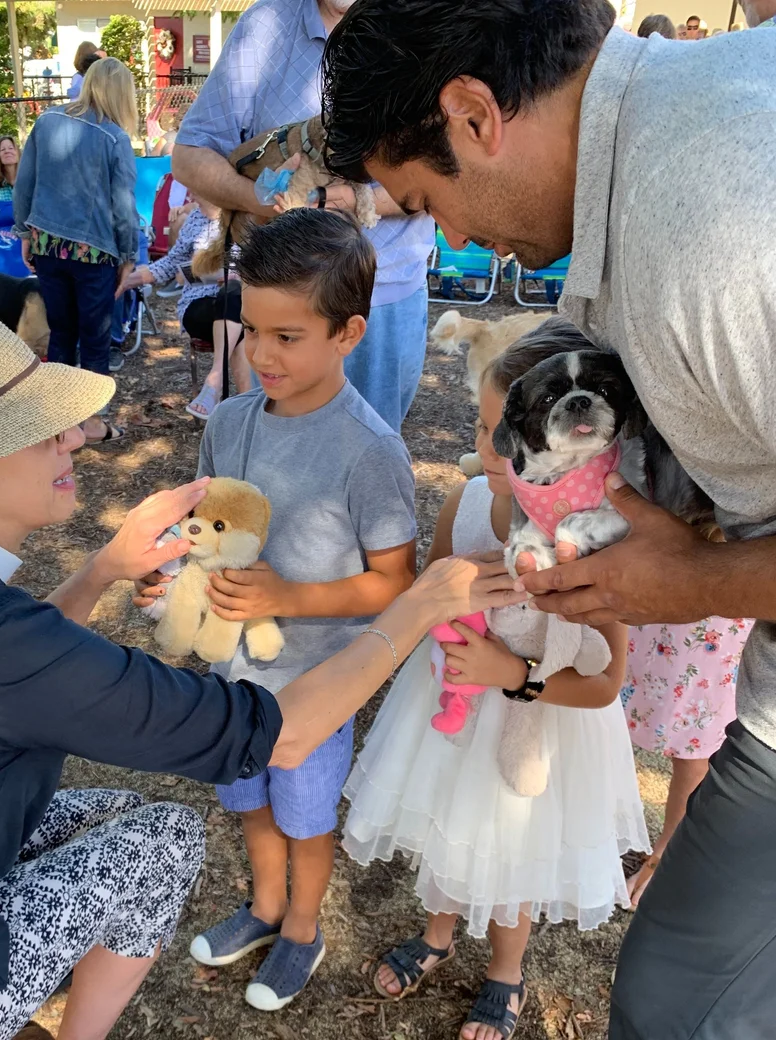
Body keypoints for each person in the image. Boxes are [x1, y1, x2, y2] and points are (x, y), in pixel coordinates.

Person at [0, 301, 524, 1040]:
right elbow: (284, 737)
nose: (76, 436)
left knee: (110, 814)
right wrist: (420, 604)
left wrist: (102, 569)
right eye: (36, 430)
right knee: (163, 838)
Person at [320, 3, 776, 1036]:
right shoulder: (674, 147)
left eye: (425, 197)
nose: (453, 236)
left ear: (474, 113)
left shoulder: (715, 233)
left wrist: (695, 585)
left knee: (678, 1005)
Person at [144, 208, 419, 1010]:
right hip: (230, 674)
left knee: (304, 817)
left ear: (349, 332)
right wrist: (171, 573)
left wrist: (290, 596)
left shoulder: (371, 452)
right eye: (250, 329)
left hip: (314, 686)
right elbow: (205, 532)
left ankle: (303, 927)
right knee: (246, 798)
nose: (260, 354)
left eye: (288, 336)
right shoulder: (228, 422)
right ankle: (265, 908)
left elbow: (395, 584)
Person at [344, 322, 648, 1040]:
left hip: (544, 719)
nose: (492, 451)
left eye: (506, 432)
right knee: (452, 826)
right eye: (486, 429)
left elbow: (604, 685)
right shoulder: (470, 499)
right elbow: (431, 596)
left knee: (514, 845)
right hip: (454, 707)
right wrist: (450, 593)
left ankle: (505, 970)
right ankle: (439, 932)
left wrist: (512, 672)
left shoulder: (599, 536)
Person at [171, 0, 435, 435]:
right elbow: (189, 153)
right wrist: (262, 198)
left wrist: (347, 198)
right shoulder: (265, 25)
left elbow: (448, 171)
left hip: (386, 297)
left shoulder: (423, 26)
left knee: (371, 453)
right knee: (280, 465)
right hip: (282, 300)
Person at [14, 55, 137, 445]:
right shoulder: (115, 138)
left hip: (48, 245)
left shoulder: (48, 120)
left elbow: (25, 181)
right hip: (95, 253)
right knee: (95, 338)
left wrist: (24, 233)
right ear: (122, 94)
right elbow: (123, 206)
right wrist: (128, 254)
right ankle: (91, 423)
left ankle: (59, 425)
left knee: (62, 333)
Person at [622, 606, 753, 907]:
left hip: (723, 604)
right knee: (608, 705)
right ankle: (589, 836)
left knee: (696, 738)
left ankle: (666, 852)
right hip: (653, 585)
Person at [117, 194, 250, 419]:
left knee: (233, 297)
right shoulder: (194, 218)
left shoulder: (241, 219)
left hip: (239, 301)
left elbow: (246, 266)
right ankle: (249, 410)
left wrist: (202, 271)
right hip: (200, 306)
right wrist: (127, 280)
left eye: (195, 186)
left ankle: (215, 383)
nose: (190, 192)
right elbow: (172, 264)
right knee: (239, 329)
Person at [0, 135, 20, 201]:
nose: (7, 151)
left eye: (11, 148)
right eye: (3, 149)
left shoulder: (29, 182)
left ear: (18, 153)